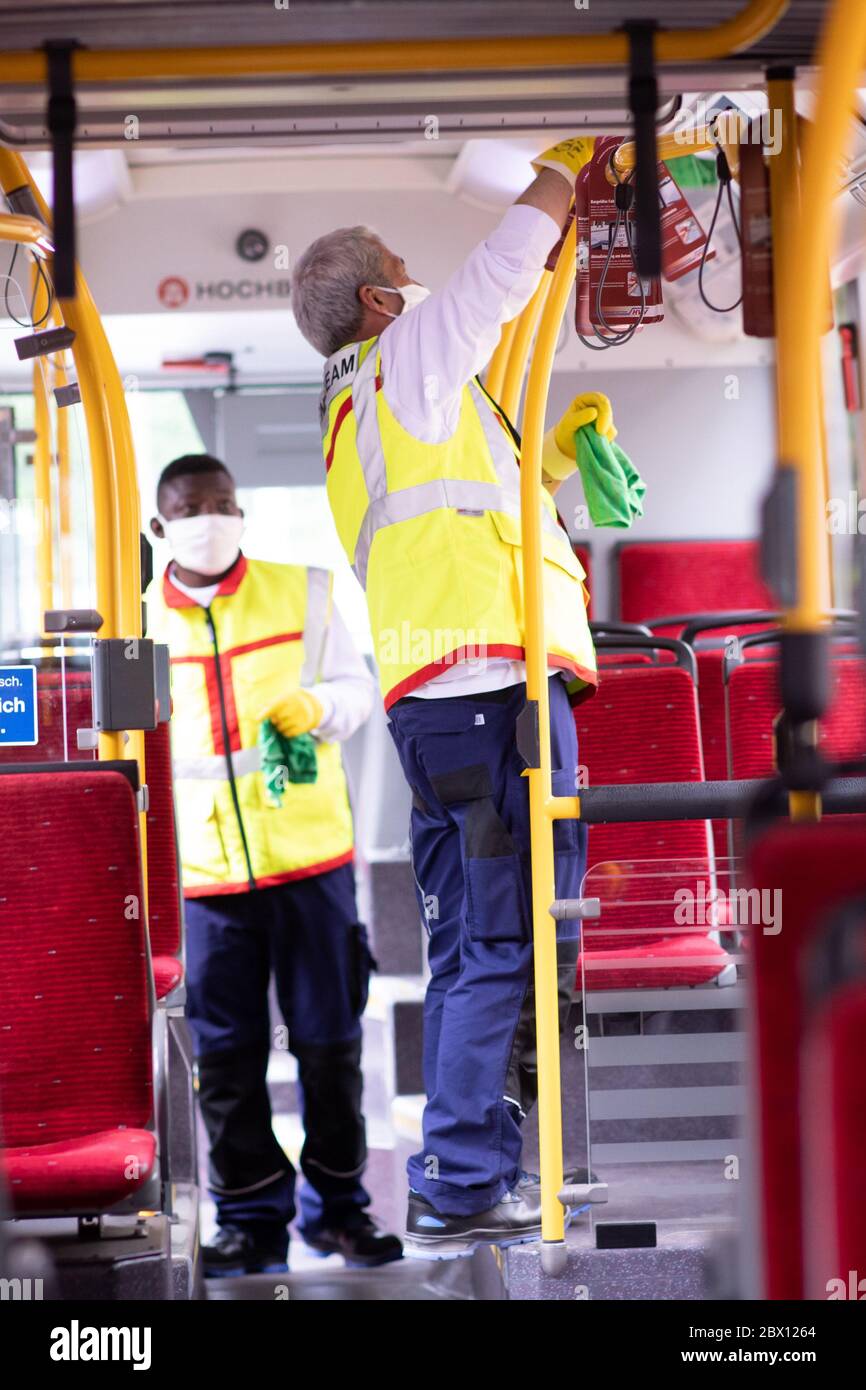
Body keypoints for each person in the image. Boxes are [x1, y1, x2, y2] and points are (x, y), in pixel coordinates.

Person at [291, 139, 606, 1256]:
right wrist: (561, 177)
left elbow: (475, 518)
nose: (423, 283)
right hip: (485, 694)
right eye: (405, 271)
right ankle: (464, 1176)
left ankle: (488, 1159)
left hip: (446, 701)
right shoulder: (405, 359)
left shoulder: (367, 408)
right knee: (495, 945)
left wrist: (555, 462)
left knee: (488, 941)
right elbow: (499, 273)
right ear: (382, 295)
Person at [147, 453, 402, 1274]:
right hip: (204, 880)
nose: (210, 516)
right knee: (225, 1060)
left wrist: (320, 706)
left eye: (223, 502)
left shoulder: (307, 590)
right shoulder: (137, 622)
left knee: (329, 1047)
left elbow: (360, 694)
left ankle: (339, 1211)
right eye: (192, 507)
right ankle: (251, 1221)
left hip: (311, 862)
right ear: (161, 526)